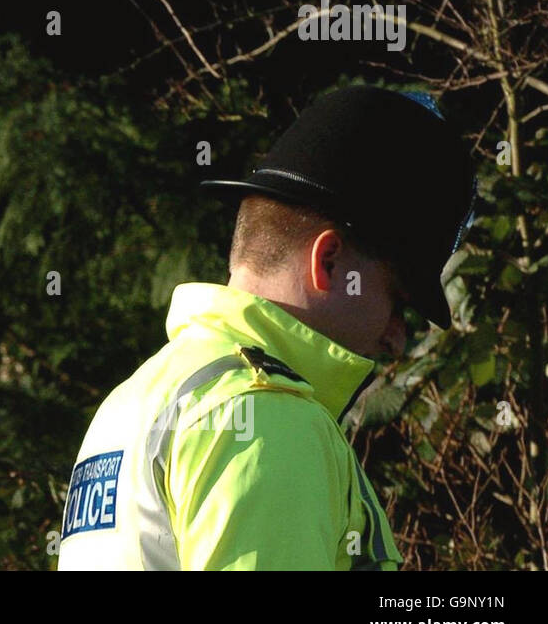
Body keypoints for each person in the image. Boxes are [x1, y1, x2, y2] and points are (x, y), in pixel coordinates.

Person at [56, 86, 476, 570]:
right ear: (330, 261)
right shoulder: (270, 419)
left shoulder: (134, 401)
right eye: (398, 302)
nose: (397, 336)